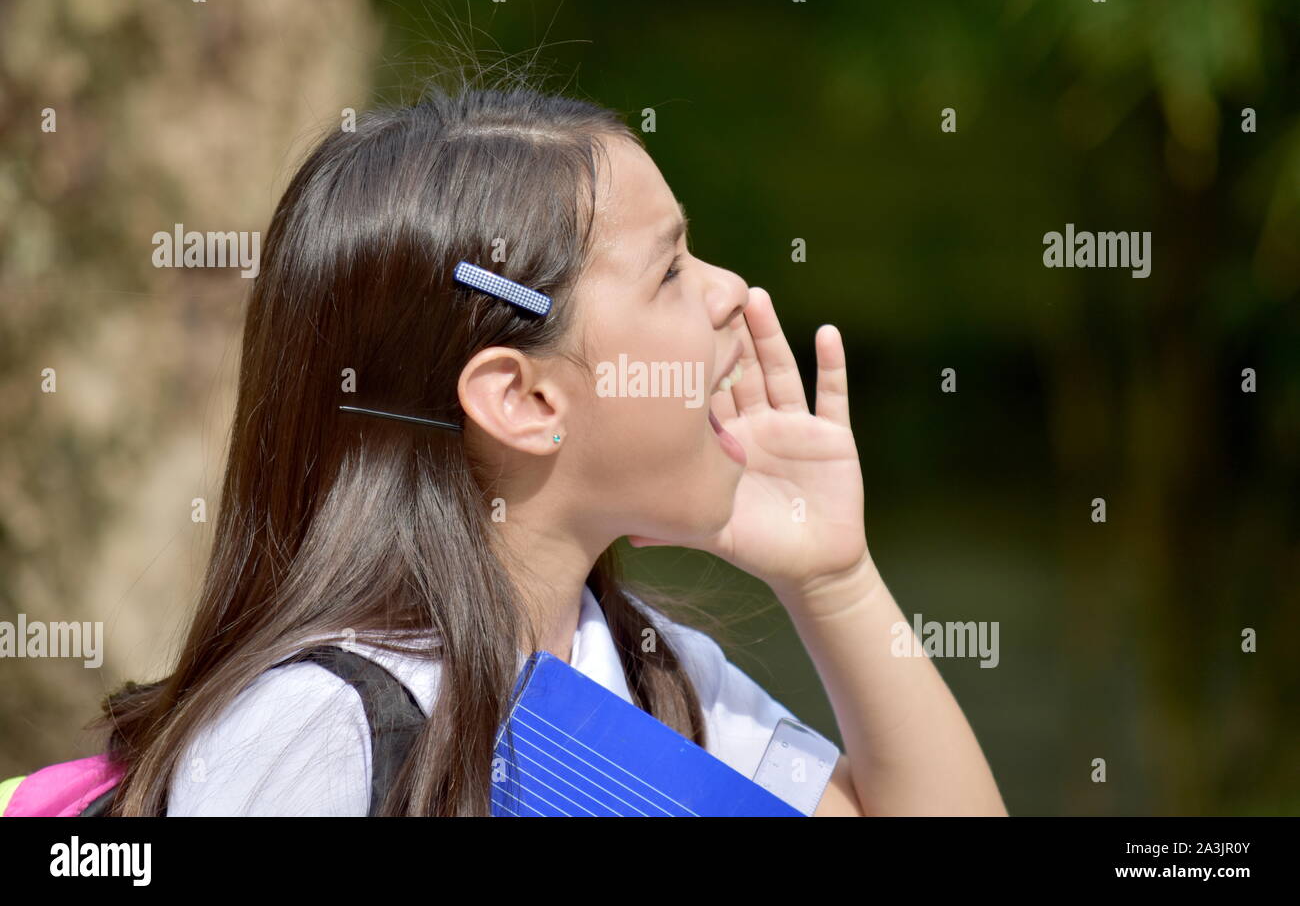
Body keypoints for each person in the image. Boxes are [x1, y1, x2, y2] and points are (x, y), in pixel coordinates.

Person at [91, 71, 1007, 816]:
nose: (732, 290)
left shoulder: (658, 679)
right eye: (672, 270)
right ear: (522, 398)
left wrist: (834, 582)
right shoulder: (318, 732)